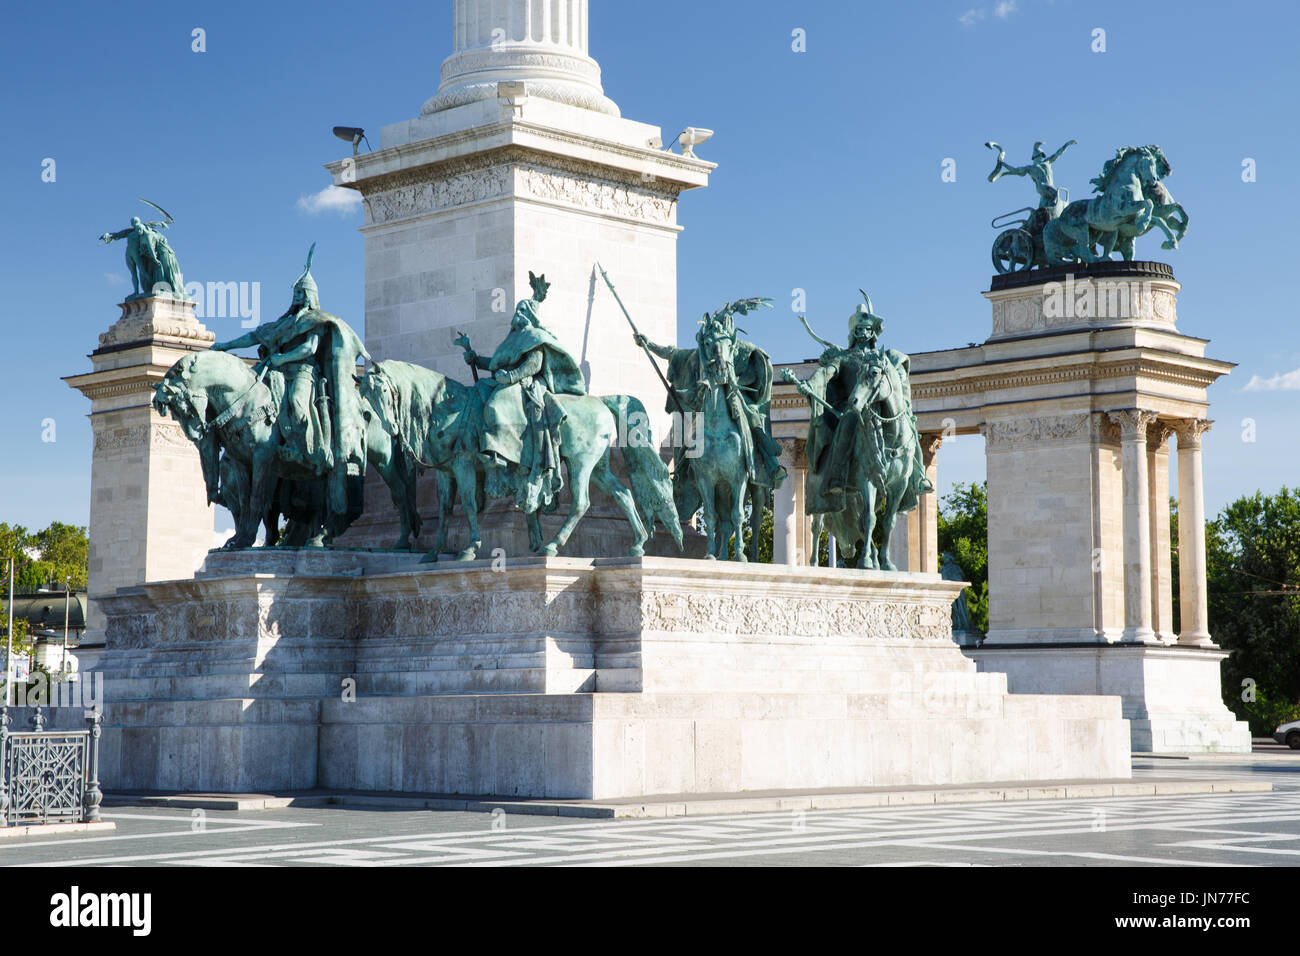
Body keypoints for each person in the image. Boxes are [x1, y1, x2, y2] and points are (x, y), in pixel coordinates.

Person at [211, 244, 370, 514]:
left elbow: (309, 349)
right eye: (295, 292)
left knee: (297, 404)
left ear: (311, 296)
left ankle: (303, 448)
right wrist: (225, 346)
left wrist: (283, 359)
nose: (297, 296)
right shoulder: (283, 323)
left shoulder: (315, 320)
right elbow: (254, 336)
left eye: (302, 292)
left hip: (304, 373)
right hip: (277, 371)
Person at [461, 272, 585, 510]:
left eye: (521, 311)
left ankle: (499, 452)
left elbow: (534, 364)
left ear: (528, 315)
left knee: (497, 403)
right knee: (477, 393)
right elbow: (499, 361)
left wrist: (510, 376)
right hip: (505, 379)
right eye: (516, 311)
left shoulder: (534, 336)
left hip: (526, 383)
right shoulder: (512, 338)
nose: (516, 316)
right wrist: (475, 359)